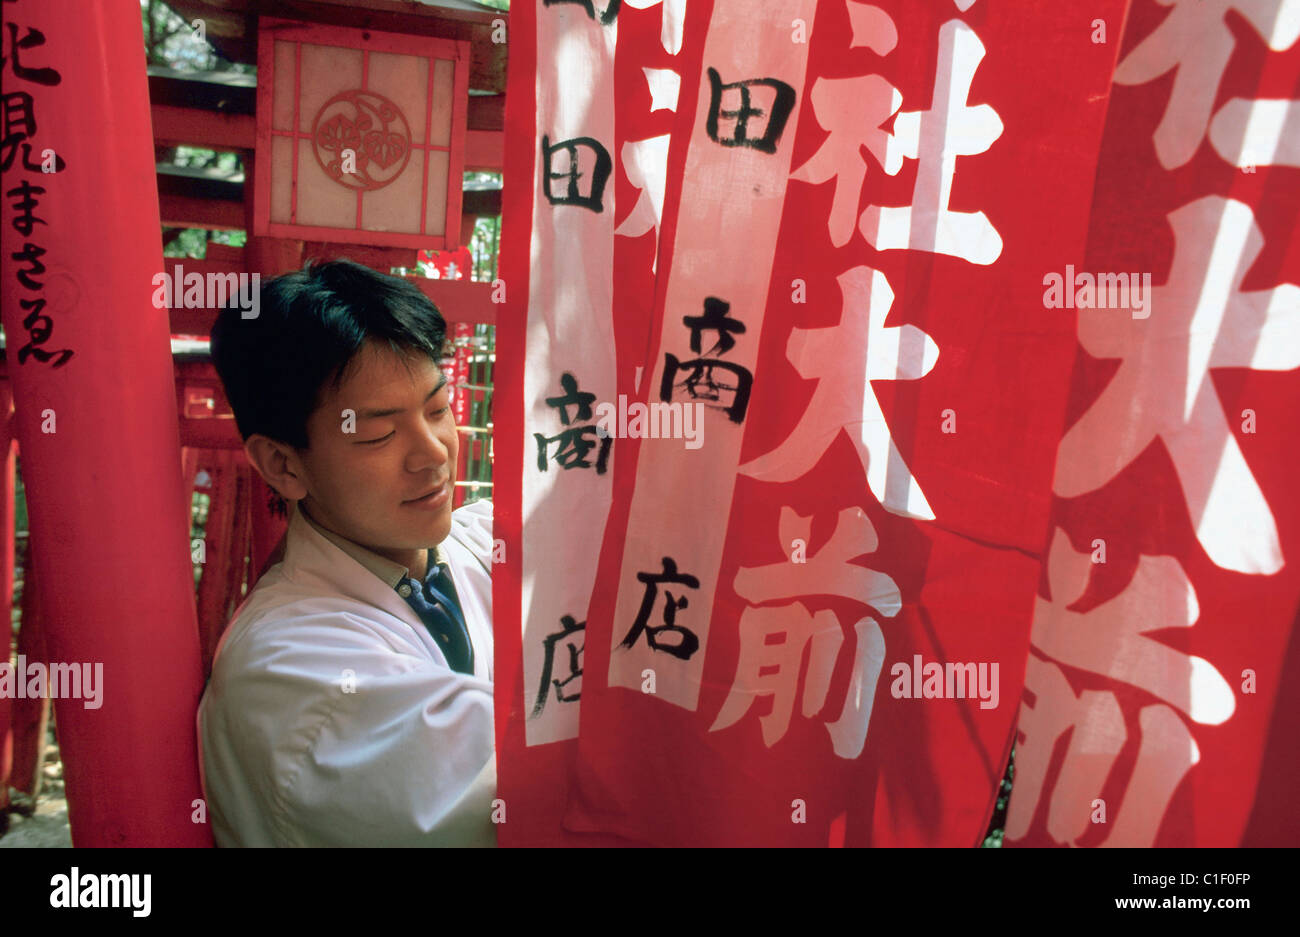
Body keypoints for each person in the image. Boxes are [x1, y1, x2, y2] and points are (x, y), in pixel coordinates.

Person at [197, 259, 495, 847]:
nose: (432, 454)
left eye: (438, 410)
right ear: (284, 464)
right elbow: (517, 789)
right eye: (378, 435)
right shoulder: (289, 666)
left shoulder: (477, 544)